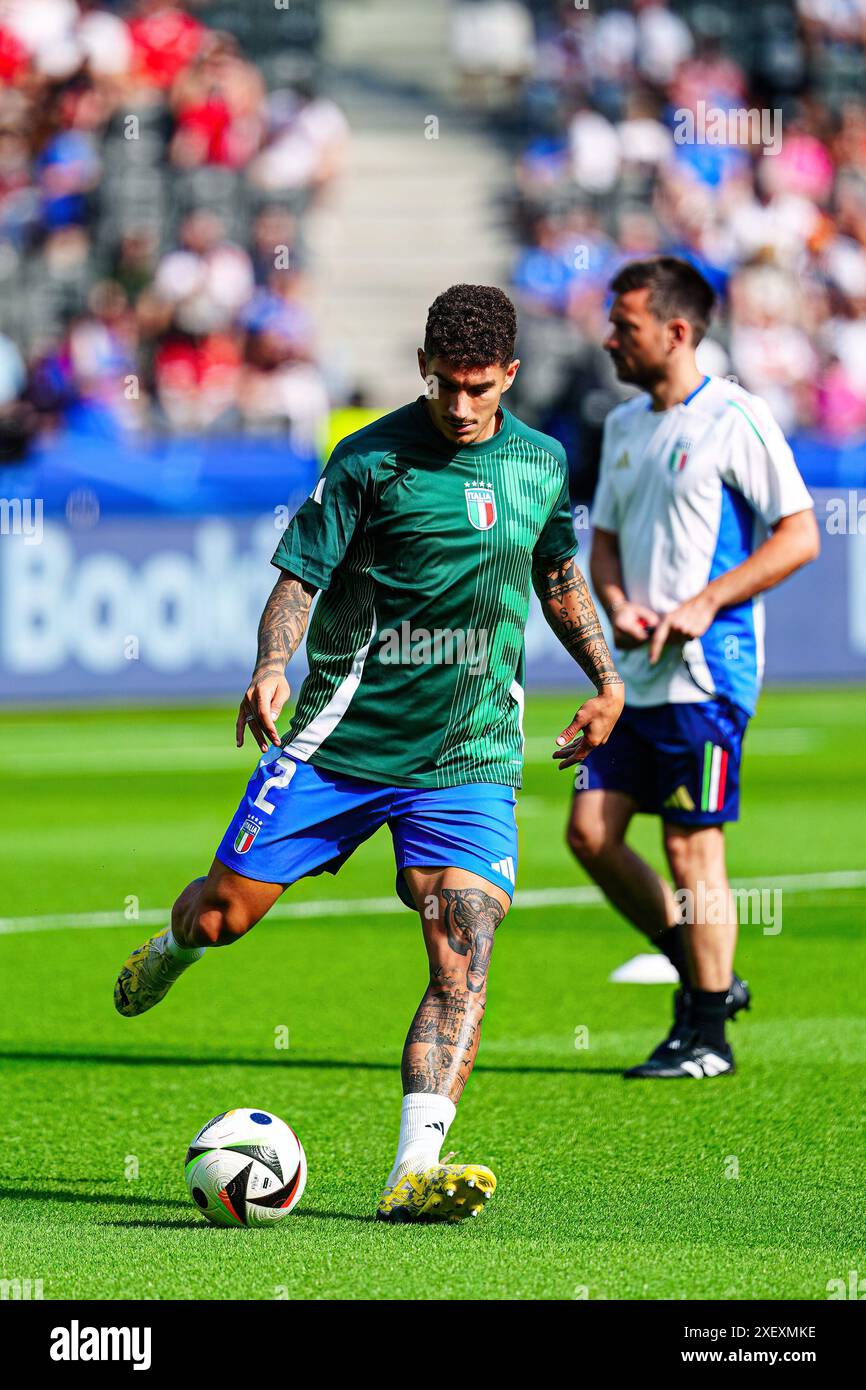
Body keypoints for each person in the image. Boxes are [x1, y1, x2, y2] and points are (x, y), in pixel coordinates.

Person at [114, 284, 624, 1220]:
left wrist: (607, 679)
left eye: (478, 387)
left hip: (468, 753)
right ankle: (174, 945)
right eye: (444, 386)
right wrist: (273, 662)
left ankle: (411, 1170)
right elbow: (297, 579)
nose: (461, 406)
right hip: (338, 742)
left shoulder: (543, 464)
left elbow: (557, 573)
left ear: (510, 375)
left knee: (462, 931)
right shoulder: (367, 460)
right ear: (422, 370)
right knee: (226, 917)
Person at [568, 256, 819, 1080]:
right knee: (590, 835)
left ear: (677, 332)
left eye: (626, 325)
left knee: (690, 850)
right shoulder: (627, 425)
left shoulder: (735, 418)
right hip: (635, 677)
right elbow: (601, 541)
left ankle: (707, 1036)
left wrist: (705, 603)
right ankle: (710, 974)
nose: (610, 338)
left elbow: (798, 533)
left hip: (707, 679)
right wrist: (616, 602)